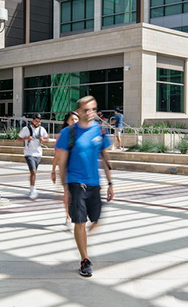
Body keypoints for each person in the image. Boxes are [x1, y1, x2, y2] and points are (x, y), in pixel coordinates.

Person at [56, 95, 113, 278]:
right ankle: (85, 259)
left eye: (93, 109)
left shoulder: (100, 131)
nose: (90, 113)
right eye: (87, 110)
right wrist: (65, 188)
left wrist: (110, 183)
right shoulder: (68, 133)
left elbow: (105, 159)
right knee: (79, 222)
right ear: (79, 111)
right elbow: (62, 162)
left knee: (95, 219)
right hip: (75, 182)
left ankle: (85, 236)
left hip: (94, 184)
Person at [51, 111, 78, 229]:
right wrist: (53, 170)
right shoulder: (63, 135)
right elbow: (57, 155)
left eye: (77, 119)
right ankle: (68, 216)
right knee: (67, 192)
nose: (75, 122)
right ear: (67, 121)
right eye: (72, 119)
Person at [18, 113, 50, 199]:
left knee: (34, 172)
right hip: (28, 153)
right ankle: (32, 189)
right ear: (32, 120)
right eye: (36, 121)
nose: (37, 123)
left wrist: (43, 139)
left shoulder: (41, 129)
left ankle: (32, 187)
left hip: (38, 153)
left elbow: (47, 139)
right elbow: (18, 138)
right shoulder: (26, 129)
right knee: (33, 171)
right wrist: (26, 138)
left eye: (39, 122)